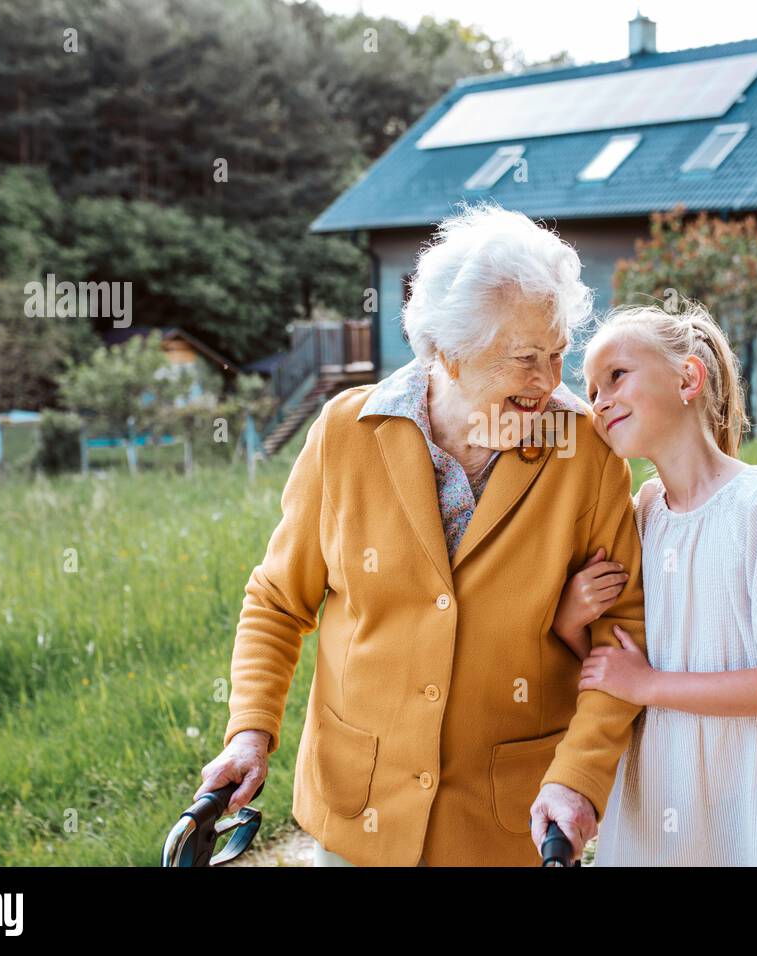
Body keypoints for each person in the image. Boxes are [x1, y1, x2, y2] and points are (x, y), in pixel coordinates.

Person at [193, 200, 647, 866]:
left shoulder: (587, 455)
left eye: (557, 354)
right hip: (359, 807)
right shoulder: (348, 433)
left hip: (509, 820)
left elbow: (622, 639)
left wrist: (578, 776)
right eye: (525, 358)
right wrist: (250, 732)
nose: (548, 382)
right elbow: (278, 601)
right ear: (451, 351)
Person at [550, 298, 757, 865]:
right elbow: (616, 668)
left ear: (688, 377)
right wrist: (569, 623)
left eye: (616, 376)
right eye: (591, 392)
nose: (600, 401)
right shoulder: (642, 515)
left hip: (752, 802)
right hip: (658, 796)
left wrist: (651, 687)